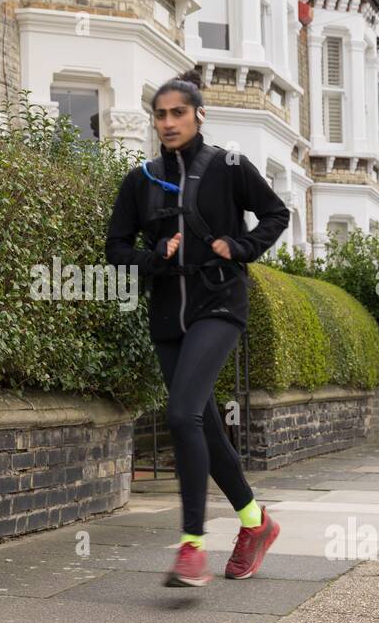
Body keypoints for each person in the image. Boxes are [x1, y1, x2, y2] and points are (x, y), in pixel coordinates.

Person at [105, 69, 290, 587]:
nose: (168, 122)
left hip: (219, 304)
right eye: (160, 114)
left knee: (181, 413)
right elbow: (115, 249)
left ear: (198, 115)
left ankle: (191, 545)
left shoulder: (229, 166)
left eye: (177, 113)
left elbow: (277, 213)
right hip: (168, 316)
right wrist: (154, 259)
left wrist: (242, 247)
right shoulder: (140, 179)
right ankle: (257, 523)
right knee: (202, 423)